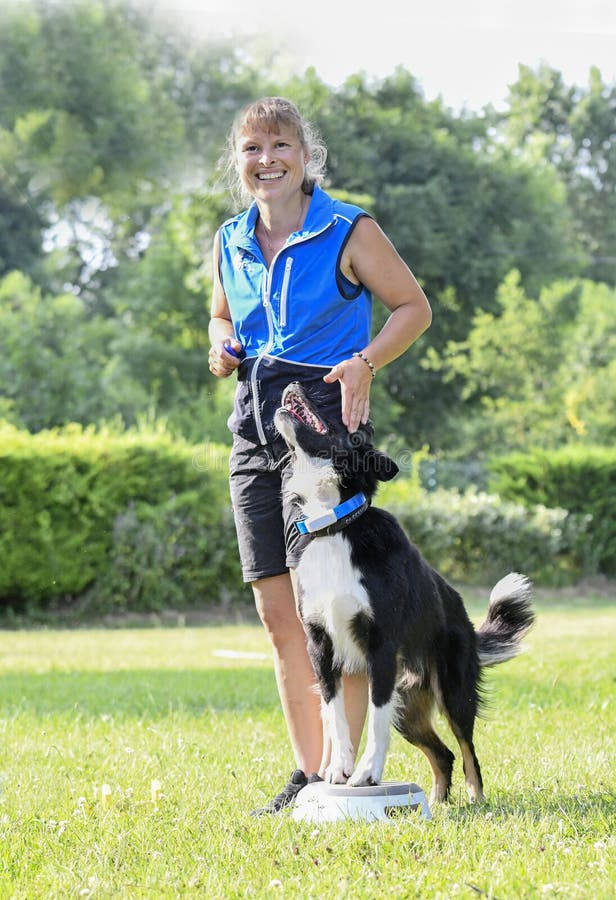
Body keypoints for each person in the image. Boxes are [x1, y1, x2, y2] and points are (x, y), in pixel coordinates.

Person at [208, 96, 432, 815]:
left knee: (342, 608)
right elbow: (220, 313)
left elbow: (412, 308)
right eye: (251, 149)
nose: (265, 160)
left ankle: (355, 775)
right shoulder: (230, 240)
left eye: (280, 146)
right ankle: (311, 774)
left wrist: (365, 361)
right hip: (254, 432)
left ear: (307, 158)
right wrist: (218, 344)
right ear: (238, 162)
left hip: (326, 427)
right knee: (281, 611)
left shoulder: (347, 228)